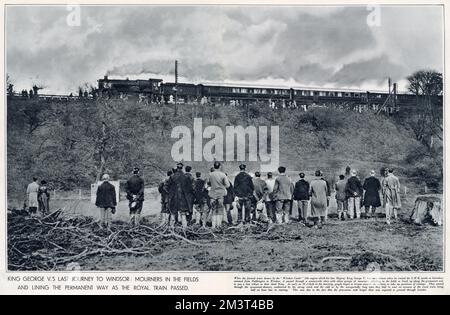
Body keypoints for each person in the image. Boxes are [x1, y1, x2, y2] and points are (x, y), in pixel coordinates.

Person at [168, 163, 192, 230]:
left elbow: (168, 187)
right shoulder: (186, 177)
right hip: (183, 198)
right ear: (182, 168)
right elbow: (189, 188)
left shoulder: (172, 177)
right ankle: (185, 229)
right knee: (183, 214)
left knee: (173, 213)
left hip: (174, 198)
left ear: (177, 168)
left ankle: (171, 229)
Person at [206, 161, 230, 229]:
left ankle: (213, 226)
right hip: (220, 194)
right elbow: (227, 185)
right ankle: (218, 225)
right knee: (220, 210)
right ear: (220, 167)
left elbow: (207, 184)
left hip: (213, 194)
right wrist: (222, 186)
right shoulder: (223, 175)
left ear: (214, 166)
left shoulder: (210, 175)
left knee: (213, 210)